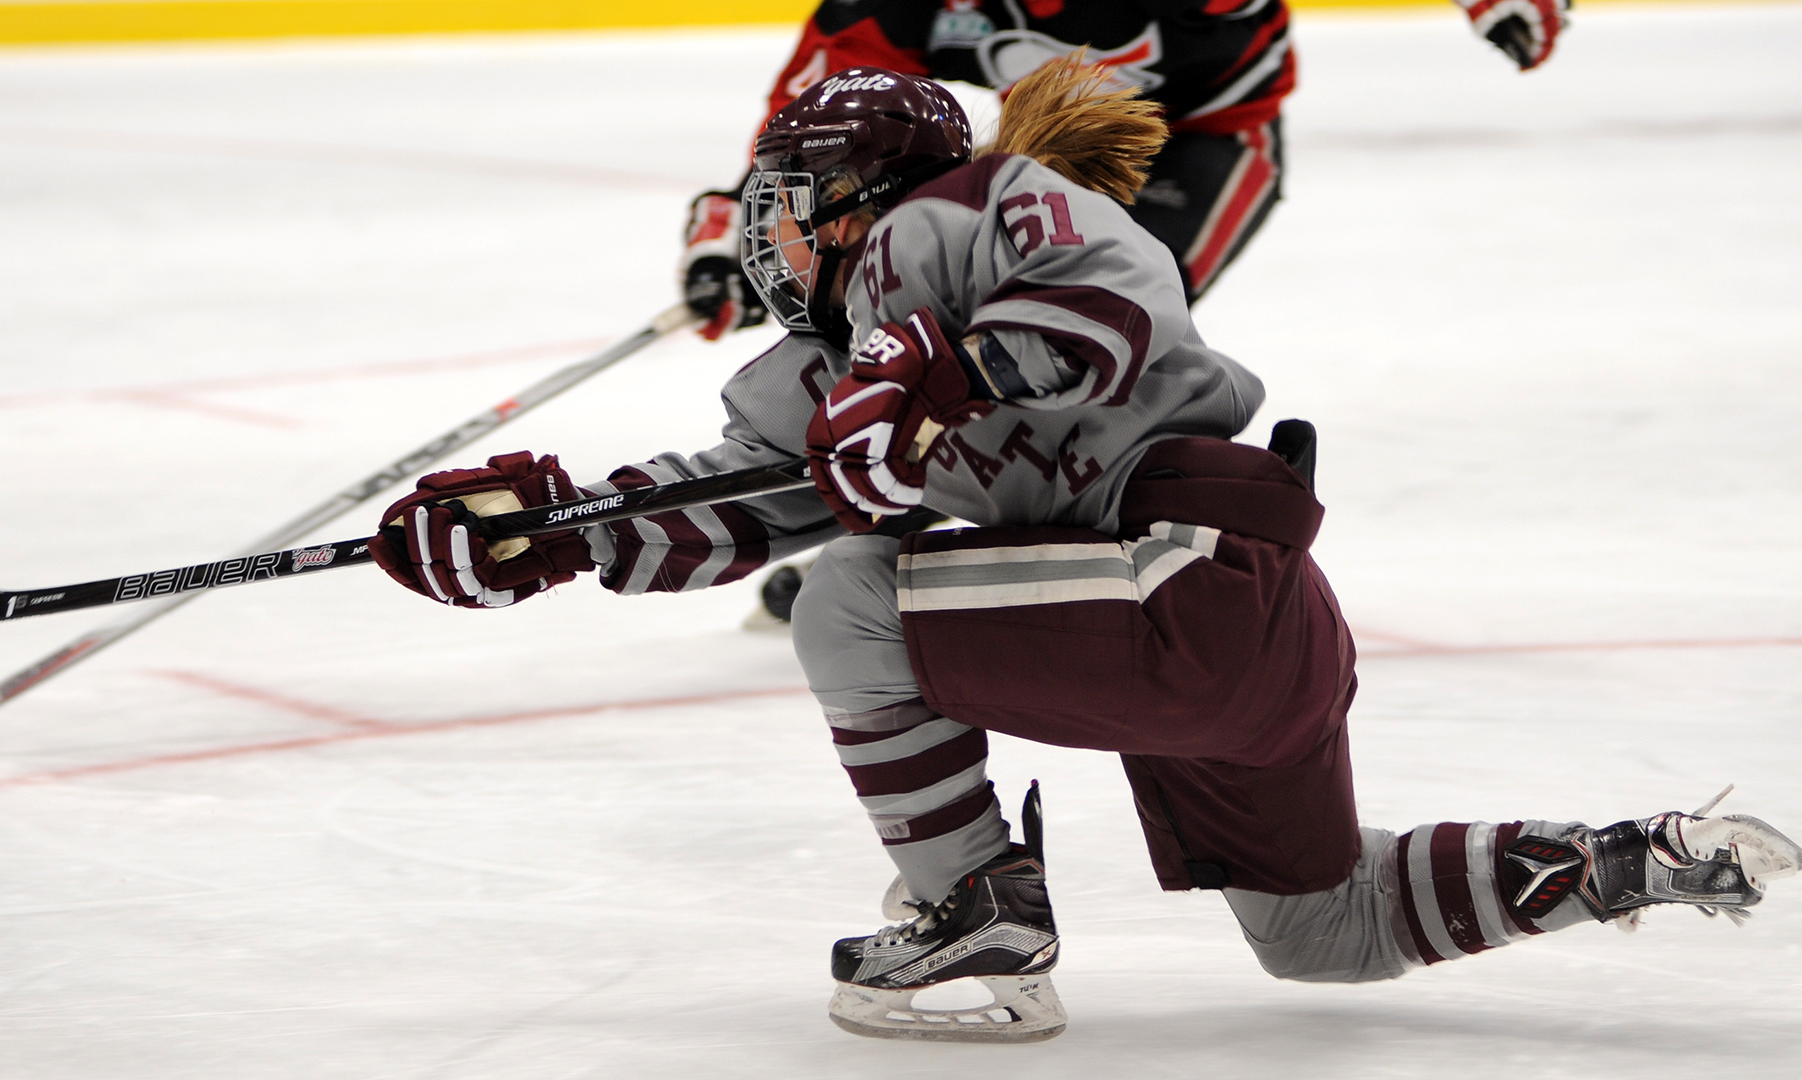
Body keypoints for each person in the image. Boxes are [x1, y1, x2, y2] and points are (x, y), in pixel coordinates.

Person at [368, 64, 1799, 1043]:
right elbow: (740, 502)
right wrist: (550, 532)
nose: (769, 239)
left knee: (856, 600)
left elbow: (1124, 295)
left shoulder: (974, 214)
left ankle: (973, 903)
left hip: (1198, 571)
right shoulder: (829, 370)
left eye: (789, 203)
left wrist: (951, 368)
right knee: (1322, 932)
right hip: (1236, 638)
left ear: (853, 198)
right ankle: (1637, 859)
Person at [679, 0, 1574, 341]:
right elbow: (834, 90)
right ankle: (888, 498)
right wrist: (758, 217)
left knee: (1109, 309)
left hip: (1204, 132)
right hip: (1048, 127)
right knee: (909, 284)